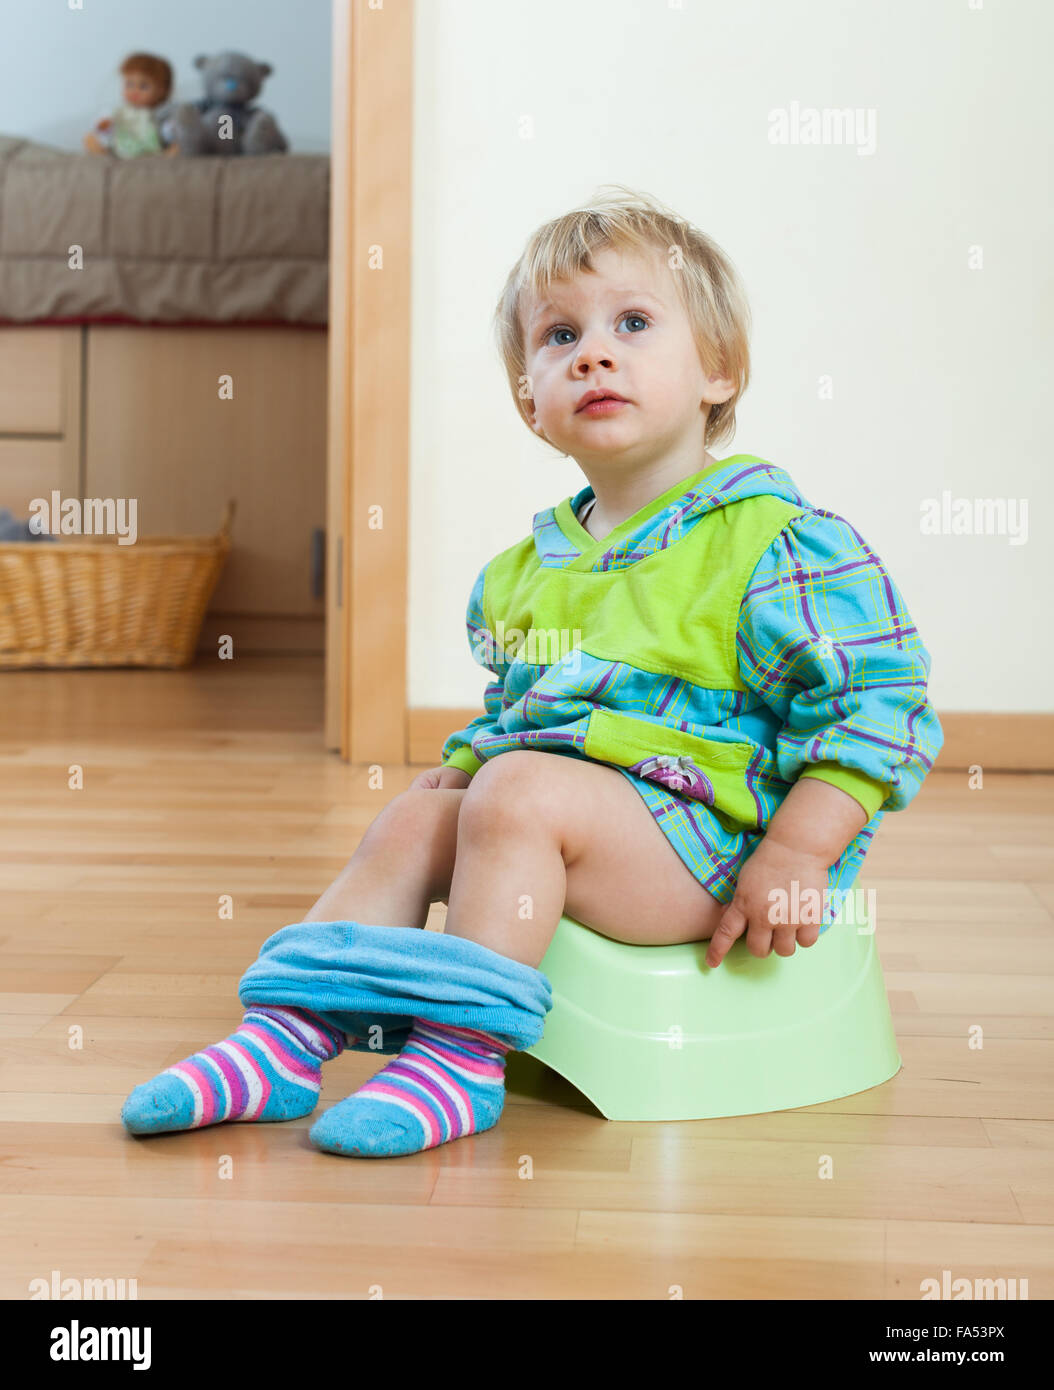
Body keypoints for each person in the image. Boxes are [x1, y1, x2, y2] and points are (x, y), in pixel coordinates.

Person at [121, 186, 942, 1158]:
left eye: (632, 323)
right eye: (558, 336)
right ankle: (283, 1039)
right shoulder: (524, 571)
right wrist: (464, 771)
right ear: (529, 401)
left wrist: (799, 856)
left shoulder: (776, 543)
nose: (593, 351)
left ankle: (460, 1058)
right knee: (419, 811)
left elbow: (877, 705)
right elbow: (521, 712)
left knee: (512, 790)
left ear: (717, 369)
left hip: (718, 847)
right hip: (577, 817)